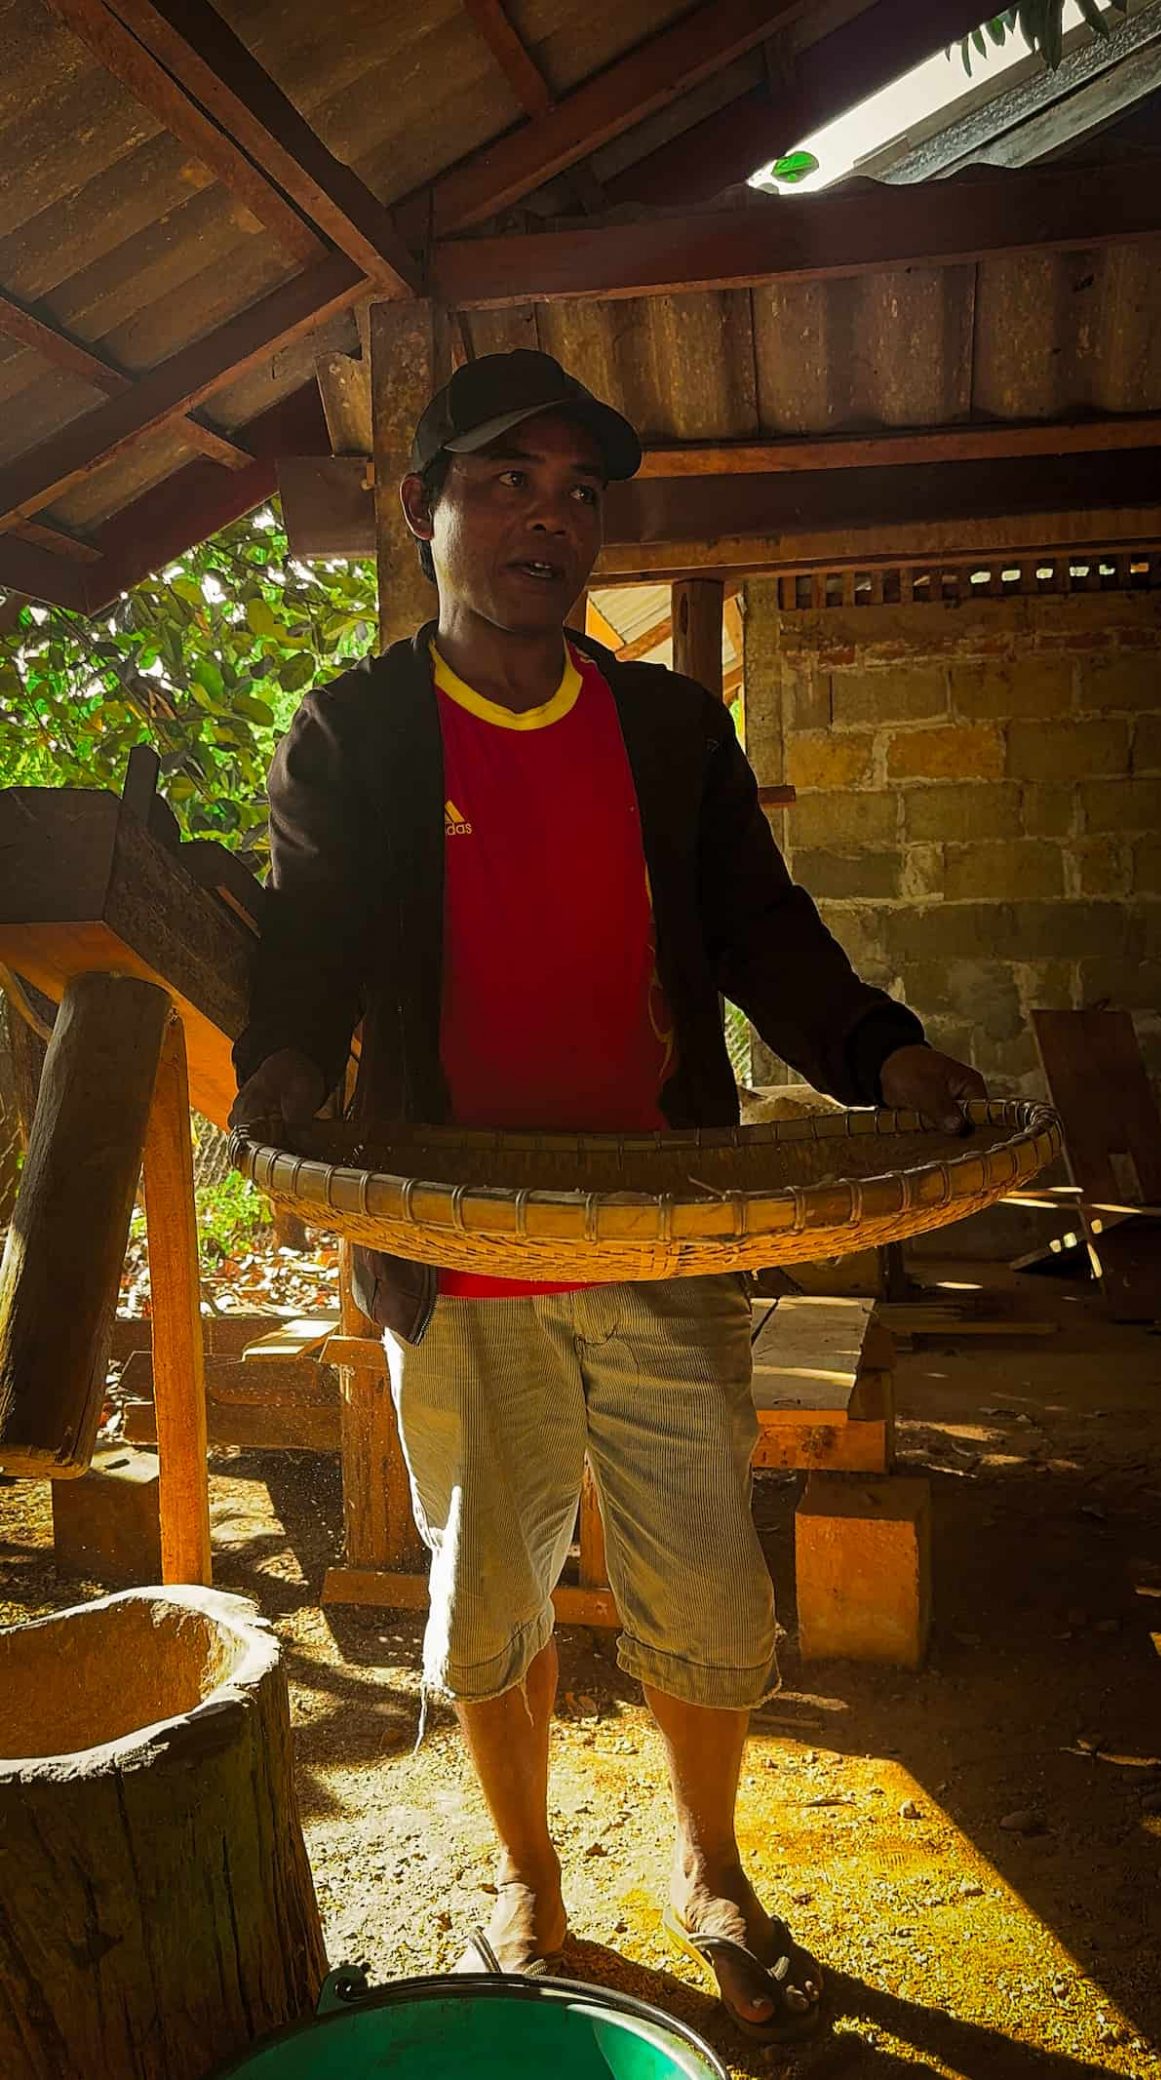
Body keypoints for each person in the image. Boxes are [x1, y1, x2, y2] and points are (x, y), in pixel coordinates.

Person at [232, 349, 986, 2045]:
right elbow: (313, 949)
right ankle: (532, 1885)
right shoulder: (355, 733)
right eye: (504, 483)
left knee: (705, 1593)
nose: (547, 521)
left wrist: (883, 1054)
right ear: (422, 507)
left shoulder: (663, 729)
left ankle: (711, 1867)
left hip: (660, 1224)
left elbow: (763, 933)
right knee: (489, 1601)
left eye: (579, 495)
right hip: (458, 1247)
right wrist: (279, 1068)